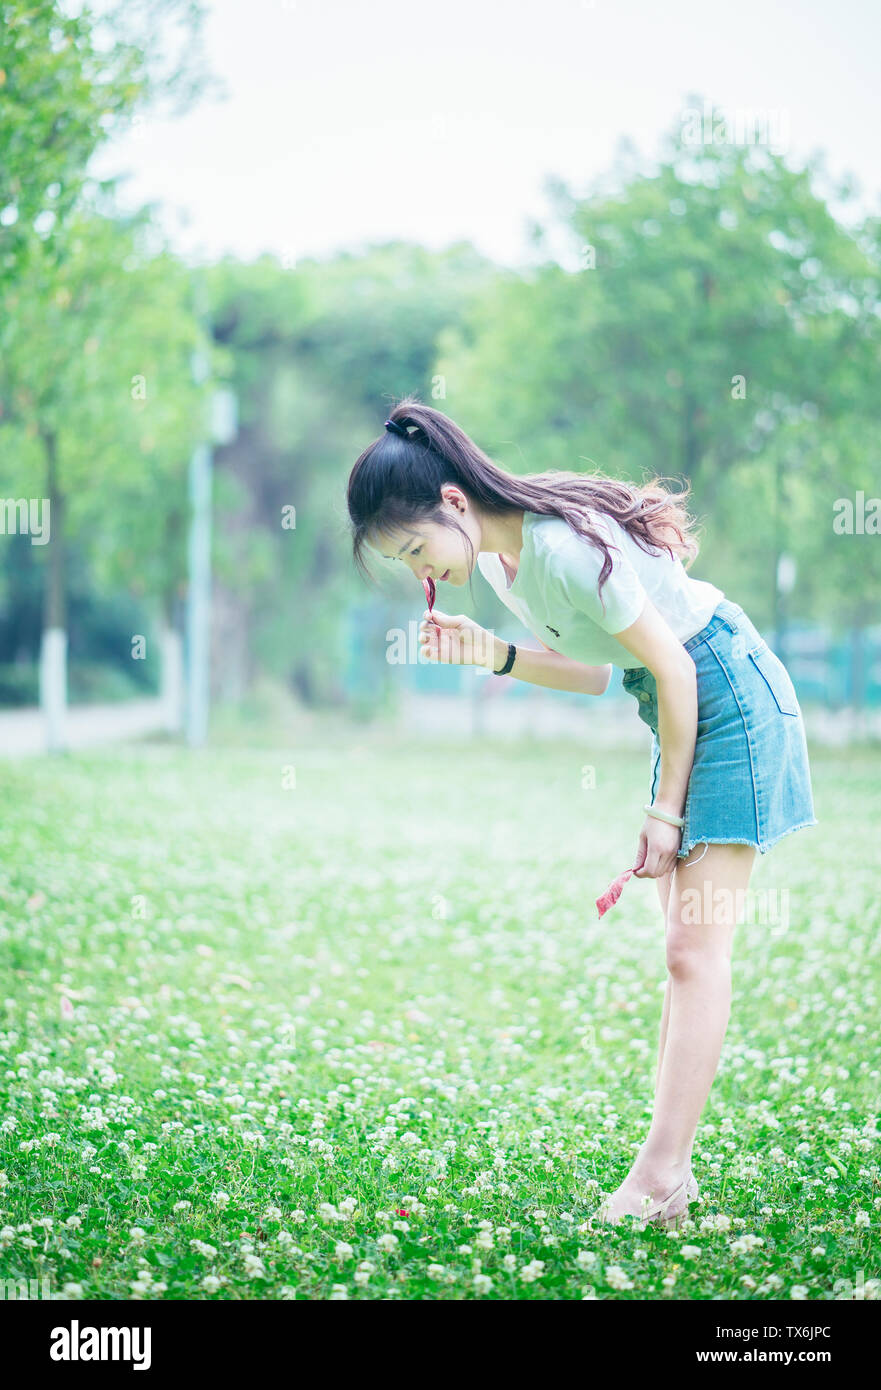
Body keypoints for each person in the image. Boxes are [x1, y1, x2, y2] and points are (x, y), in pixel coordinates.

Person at [346, 396, 818, 1229]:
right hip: (678, 703)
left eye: (417, 548)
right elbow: (601, 669)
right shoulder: (504, 563)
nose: (422, 572)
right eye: (404, 562)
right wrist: (491, 652)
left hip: (725, 695)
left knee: (693, 951)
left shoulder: (558, 549)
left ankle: (659, 1179)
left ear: (453, 502)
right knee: (684, 953)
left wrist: (662, 811)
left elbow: (675, 667)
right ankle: (667, 1180)